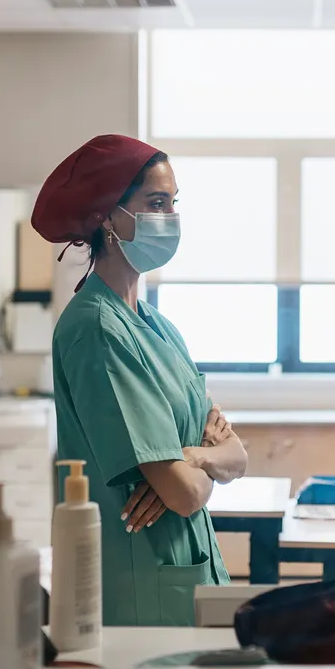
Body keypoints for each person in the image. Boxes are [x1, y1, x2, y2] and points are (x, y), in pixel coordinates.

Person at [32, 134, 248, 626]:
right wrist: (195, 465)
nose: (169, 217)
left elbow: (237, 456)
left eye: (173, 204)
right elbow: (184, 495)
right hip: (140, 582)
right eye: (155, 203)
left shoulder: (156, 325)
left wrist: (192, 458)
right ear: (109, 217)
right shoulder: (97, 328)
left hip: (189, 569)